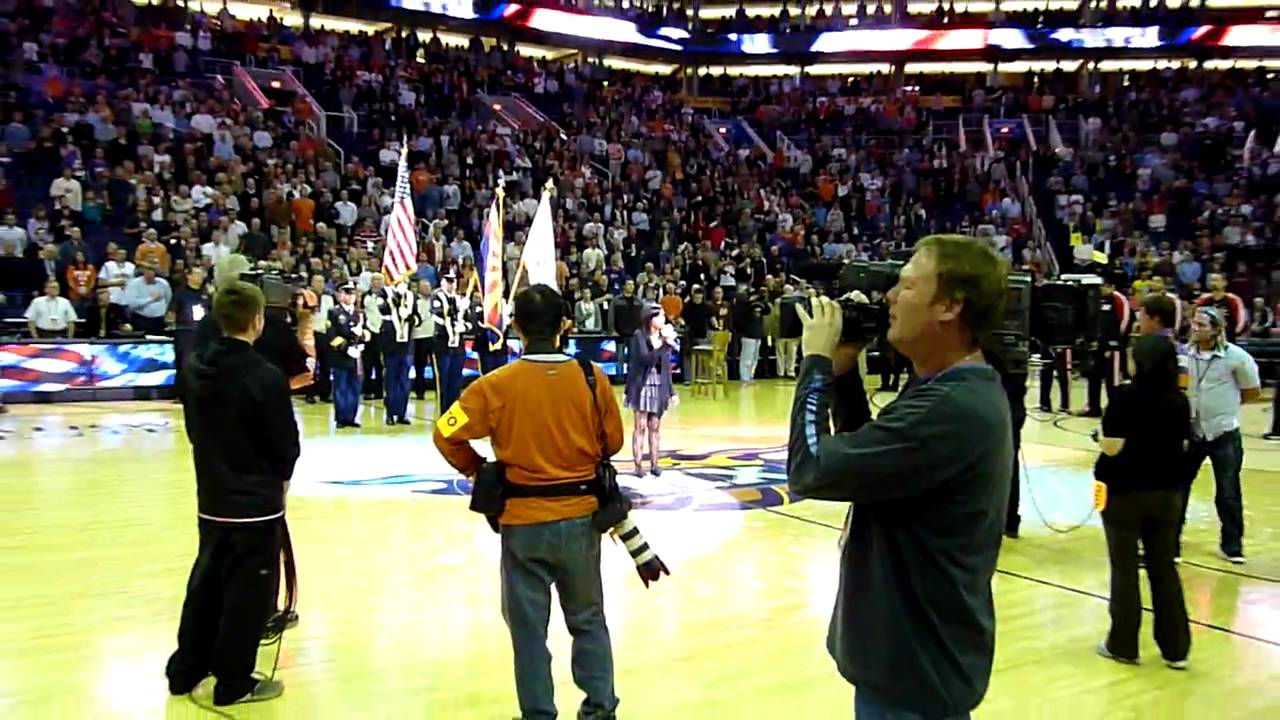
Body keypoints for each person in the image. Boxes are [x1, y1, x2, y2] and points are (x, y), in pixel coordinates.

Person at [787, 235, 1012, 719]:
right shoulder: (947, 387)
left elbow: (809, 470)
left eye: (906, 286)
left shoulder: (953, 407)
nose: (888, 297)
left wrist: (816, 364)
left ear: (950, 306)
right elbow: (870, 470)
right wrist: (845, 373)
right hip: (909, 665)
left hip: (915, 677)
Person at [432, 284, 668, 720]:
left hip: (522, 522)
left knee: (527, 632)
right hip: (581, 519)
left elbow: (445, 433)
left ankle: (538, 713)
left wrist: (478, 470)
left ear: (516, 327)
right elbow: (613, 442)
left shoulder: (493, 385)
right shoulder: (591, 377)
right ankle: (600, 709)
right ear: (564, 325)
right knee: (588, 620)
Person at [165, 281, 299, 706]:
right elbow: (285, 444)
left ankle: (186, 667)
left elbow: (193, 432)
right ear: (257, 321)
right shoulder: (264, 376)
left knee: (206, 583)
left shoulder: (194, 368)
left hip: (212, 495)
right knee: (248, 593)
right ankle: (234, 681)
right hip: (255, 503)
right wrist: (281, 482)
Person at [1092, 335, 1191, 668]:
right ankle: (1176, 649)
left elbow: (1112, 447)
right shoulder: (1179, 400)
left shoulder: (1124, 397)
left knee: (1125, 570)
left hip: (1124, 492)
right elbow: (1183, 444)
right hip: (1168, 493)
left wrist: (1098, 437)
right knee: (1164, 569)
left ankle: (1123, 644)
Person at [1177, 307, 1262, 563]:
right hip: (1191, 432)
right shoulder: (1183, 355)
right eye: (1194, 323)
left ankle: (1232, 546)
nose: (1195, 328)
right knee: (1178, 488)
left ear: (1216, 330)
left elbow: (1252, 391)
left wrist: (1225, 408)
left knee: (1228, 491)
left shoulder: (1236, 357)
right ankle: (1170, 542)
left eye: (1202, 325)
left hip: (1223, 432)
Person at [623, 304, 677, 477]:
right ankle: (638, 465)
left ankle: (655, 464)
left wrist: (672, 392)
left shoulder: (662, 338)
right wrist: (663, 345)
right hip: (642, 385)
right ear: (650, 318)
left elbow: (666, 367)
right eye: (660, 316)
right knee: (640, 426)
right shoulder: (639, 336)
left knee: (655, 426)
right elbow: (646, 359)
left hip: (659, 385)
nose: (663, 320)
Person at [328, 283, 368, 428]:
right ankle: (341, 418)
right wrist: (346, 348)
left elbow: (366, 331)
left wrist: (362, 340)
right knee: (341, 387)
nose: (350, 297)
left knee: (354, 387)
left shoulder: (359, 314)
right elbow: (331, 336)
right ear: (340, 295)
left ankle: (351, 417)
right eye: (347, 293)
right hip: (341, 356)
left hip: (356, 357)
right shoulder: (334, 313)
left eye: (352, 294)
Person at [430, 272, 468, 415]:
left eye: (453, 281)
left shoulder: (460, 299)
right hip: (443, 344)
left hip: (458, 345)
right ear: (442, 282)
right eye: (448, 281)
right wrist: (458, 309)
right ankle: (443, 412)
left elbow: (470, 320)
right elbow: (439, 313)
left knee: (456, 380)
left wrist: (464, 326)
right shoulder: (437, 297)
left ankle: (453, 412)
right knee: (443, 381)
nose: (451, 284)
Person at [379, 282, 417, 425]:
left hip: (406, 345)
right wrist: (396, 299)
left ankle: (402, 413)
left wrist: (411, 318)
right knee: (391, 380)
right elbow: (382, 309)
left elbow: (417, 317)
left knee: (404, 381)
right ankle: (390, 413)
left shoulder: (410, 296)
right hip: (390, 344)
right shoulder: (384, 293)